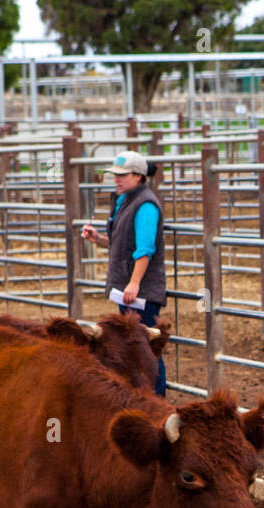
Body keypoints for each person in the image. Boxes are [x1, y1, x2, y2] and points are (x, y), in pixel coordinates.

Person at [80, 151, 167, 395]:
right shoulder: (126, 200)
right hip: (128, 289)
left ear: (139, 176)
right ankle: (146, 397)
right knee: (136, 346)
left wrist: (135, 283)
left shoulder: (146, 206)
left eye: (122, 175)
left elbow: (144, 249)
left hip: (139, 291)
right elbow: (124, 243)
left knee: (147, 348)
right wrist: (98, 239)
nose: (116, 180)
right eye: (114, 175)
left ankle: (157, 398)